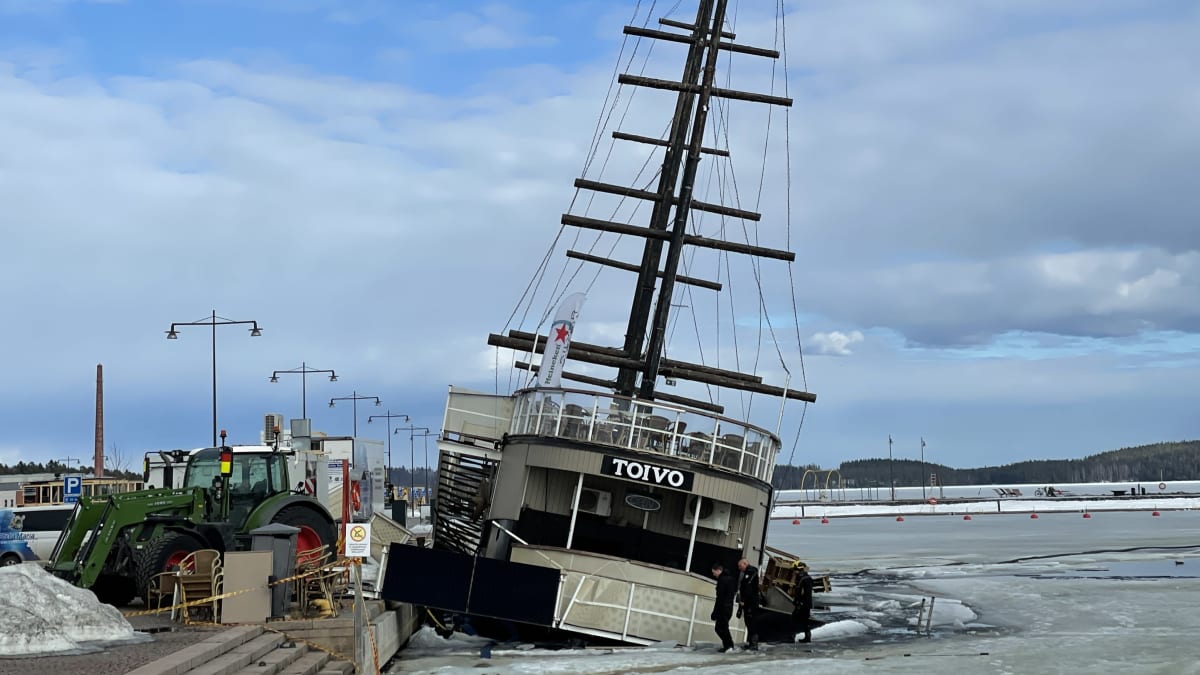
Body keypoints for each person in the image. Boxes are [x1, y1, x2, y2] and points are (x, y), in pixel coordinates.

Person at [710, 562, 737, 652]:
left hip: (723, 608)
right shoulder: (730, 579)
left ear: (719, 570)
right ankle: (728, 645)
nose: (714, 575)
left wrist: (715, 612)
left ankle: (729, 645)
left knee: (720, 628)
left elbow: (720, 598)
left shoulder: (722, 580)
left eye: (714, 572)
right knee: (723, 627)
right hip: (728, 607)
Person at [736, 558, 761, 649]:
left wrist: (744, 600)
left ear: (745, 564)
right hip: (748, 601)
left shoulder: (750, 572)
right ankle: (751, 642)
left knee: (751, 622)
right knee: (748, 621)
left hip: (751, 602)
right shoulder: (747, 573)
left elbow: (748, 588)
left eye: (740, 566)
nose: (739, 568)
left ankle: (754, 643)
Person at [793, 564, 814, 643]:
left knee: (794, 619)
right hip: (807, 603)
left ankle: (791, 636)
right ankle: (807, 637)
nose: (794, 572)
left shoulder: (801, 579)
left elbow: (800, 592)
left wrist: (798, 602)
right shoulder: (809, 578)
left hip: (802, 603)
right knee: (806, 621)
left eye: (795, 570)